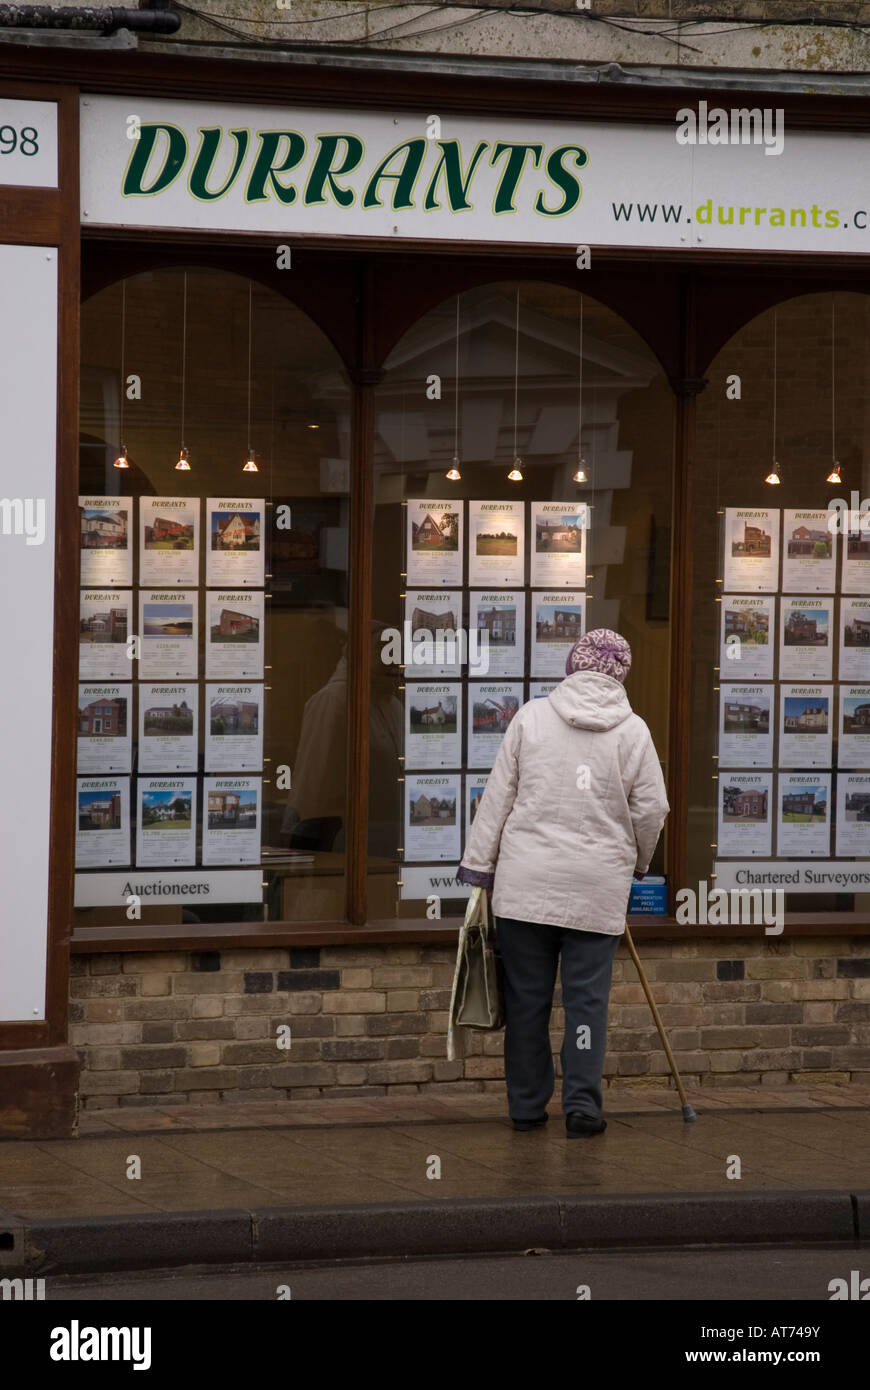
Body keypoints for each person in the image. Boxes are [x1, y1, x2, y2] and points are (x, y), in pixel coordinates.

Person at [457, 628, 669, 1138]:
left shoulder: (531, 718)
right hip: (596, 888)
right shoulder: (633, 732)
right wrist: (635, 865)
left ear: (573, 666)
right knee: (586, 1003)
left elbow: (496, 802)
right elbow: (652, 810)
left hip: (525, 886)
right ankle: (581, 1109)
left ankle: (527, 1108)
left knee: (527, 1001)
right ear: (620, 673)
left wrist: (479, 869)